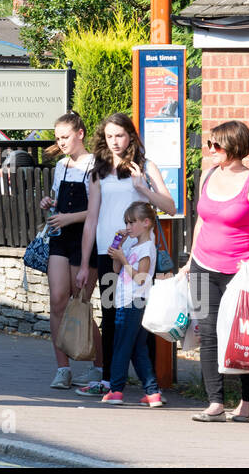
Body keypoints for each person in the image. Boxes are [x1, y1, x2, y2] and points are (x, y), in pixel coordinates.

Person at [180, 120, 249, 423]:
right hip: (202, 266)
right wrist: (189, 260)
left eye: (216, 145)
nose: (210, 150)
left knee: (246, 335)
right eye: (209, 144)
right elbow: (202, 221)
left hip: (241, 272)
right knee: (208, 334)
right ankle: (215, 403)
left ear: (234, 148)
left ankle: (248, 402)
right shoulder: (208, 176)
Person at [74, 113, 176, 396]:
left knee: (143, 317)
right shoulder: (98, 171)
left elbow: (170, 206)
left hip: (141, 256)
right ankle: (110, 381)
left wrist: (142, 188)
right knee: (111, 316)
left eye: (119, 135)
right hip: (111, 255)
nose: (114, 141)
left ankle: (150, 386)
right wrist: (85, 263)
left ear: (130, 135)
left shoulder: (145, 166)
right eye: (109, 136)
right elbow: (92, 218)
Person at [37, 113, 96, 389]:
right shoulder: (60, 166)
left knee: (80, 303)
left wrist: (70, 217)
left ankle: (99, 367)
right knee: (58, 299)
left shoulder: (95, 165)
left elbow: (98, 210)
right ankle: (63, 368)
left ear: (80, 134)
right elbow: (59, 201)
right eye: (57, 138)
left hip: (85, 237)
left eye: (65, 137)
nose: (61, 142)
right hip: (60, 236)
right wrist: (49, 202)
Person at [102, 201, 164, 407]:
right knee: (138, 349)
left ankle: (116, 390)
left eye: (132, 223)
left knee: (121, 346)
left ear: (146, 223)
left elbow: (140, 278)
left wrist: (125, 260)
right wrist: (118, 248)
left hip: (133, 302)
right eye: (126, 223)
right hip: (127, 301)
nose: (128, 227)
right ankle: (152, 392)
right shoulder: (133, 245)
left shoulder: (147, 248)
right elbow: (115, 267)